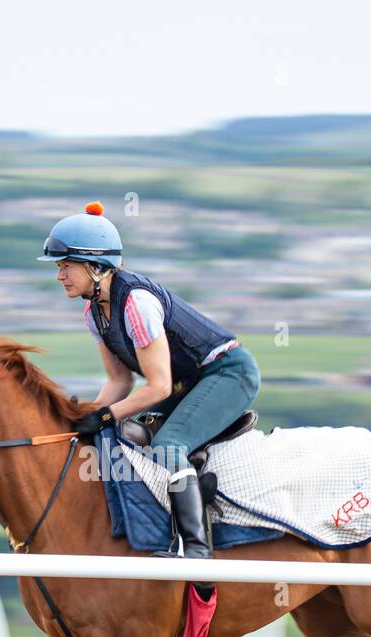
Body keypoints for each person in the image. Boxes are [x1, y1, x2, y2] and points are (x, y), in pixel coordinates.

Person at [39, 202, 261, 559]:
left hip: (228, 373)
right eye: (59, 267)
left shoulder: (136, 304)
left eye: (66, 266)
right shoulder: (94, 312)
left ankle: (197, 550)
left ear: (96, 267)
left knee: (169, 444)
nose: (59, 275)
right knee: (115, 433)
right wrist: (89, 418)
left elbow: (157, 387)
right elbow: (119, 382)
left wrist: (107, 414)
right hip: (185, 383)